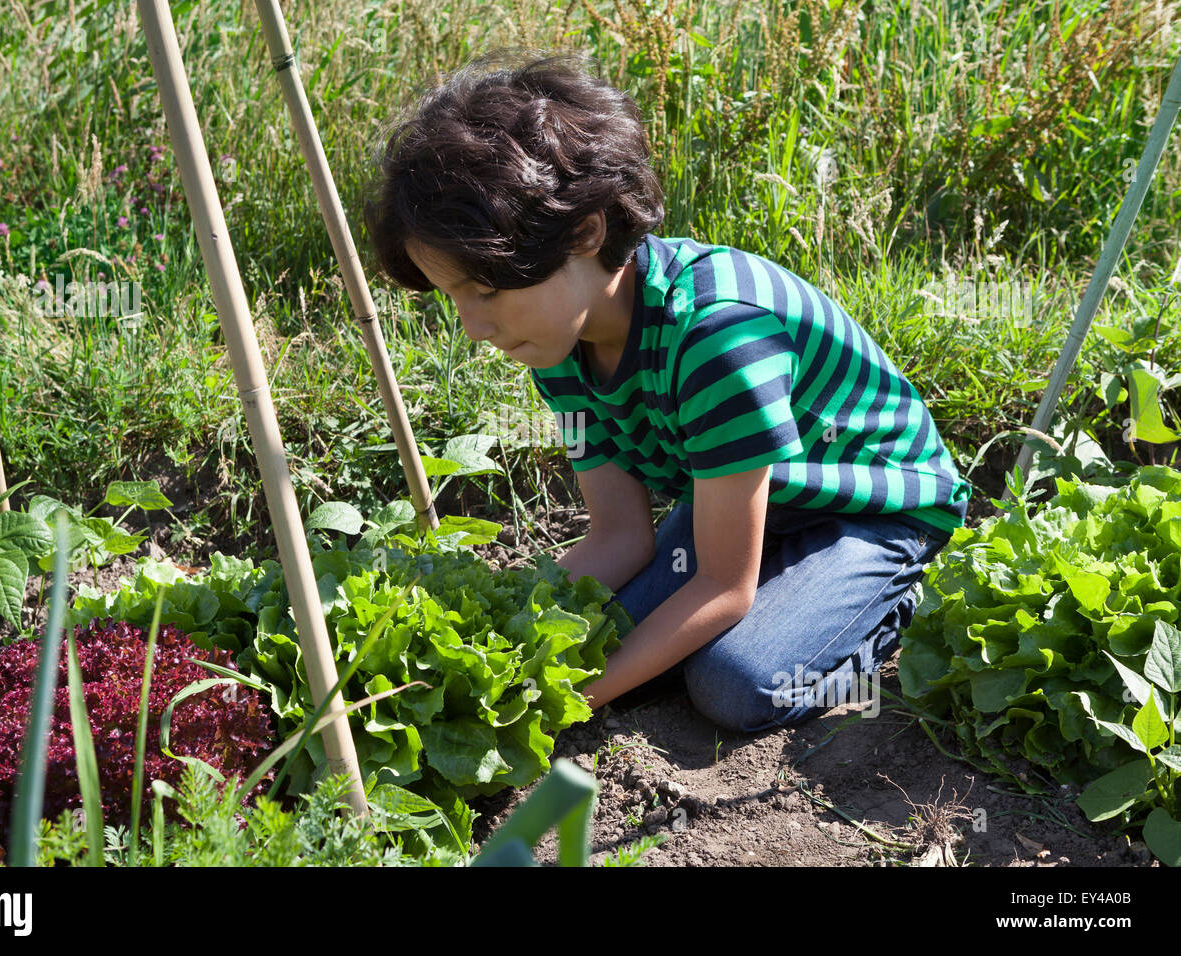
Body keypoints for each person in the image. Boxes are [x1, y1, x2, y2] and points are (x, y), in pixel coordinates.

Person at [363, 49, 971, 732]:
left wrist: (562, 700)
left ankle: (892, 602)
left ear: (586, 232)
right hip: (749, 498)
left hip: (866, 505)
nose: (474, 329)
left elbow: (721, 586)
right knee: (609, 630)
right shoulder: (554, 339)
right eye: (455, 299)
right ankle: (790, 585)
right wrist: (496, 632)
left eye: (486, 291)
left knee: (734, 684)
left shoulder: (718, 337)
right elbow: (620, 538)